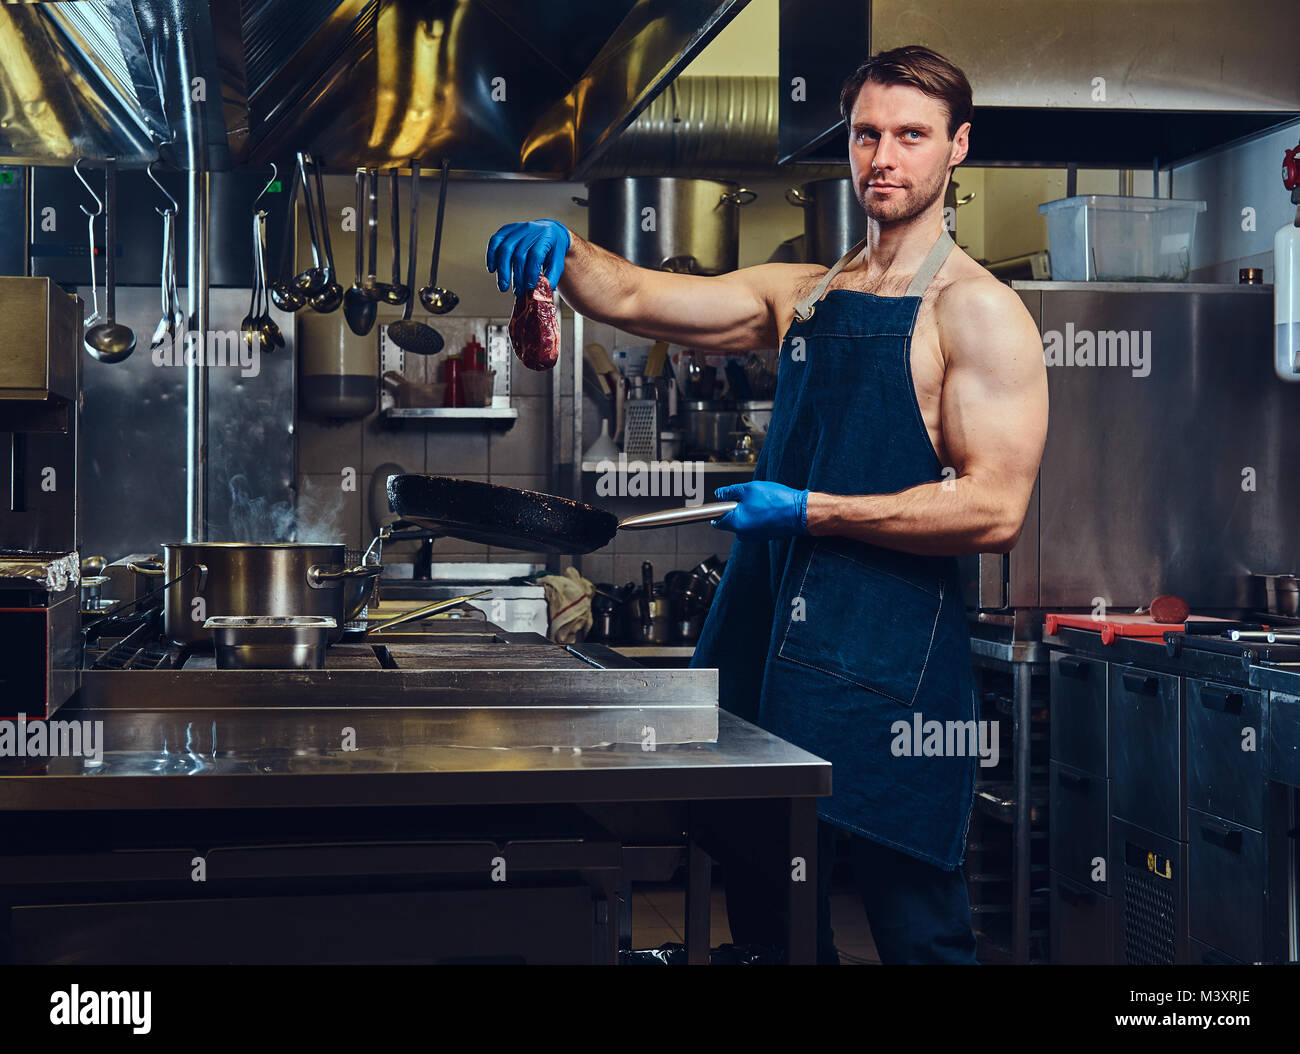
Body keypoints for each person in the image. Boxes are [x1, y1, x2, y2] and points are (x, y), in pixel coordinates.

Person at [486, 44, 1048, 964]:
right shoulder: (806, 294)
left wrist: (808, 510)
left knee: (918, 927)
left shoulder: (976, 310)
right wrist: (566, 250)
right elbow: (639, 296)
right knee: (767, 914)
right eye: (868, 134)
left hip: (891, 665)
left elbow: (994, 510)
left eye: (912, 135)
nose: (884, 157)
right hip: (772, 653)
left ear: (957, 149)